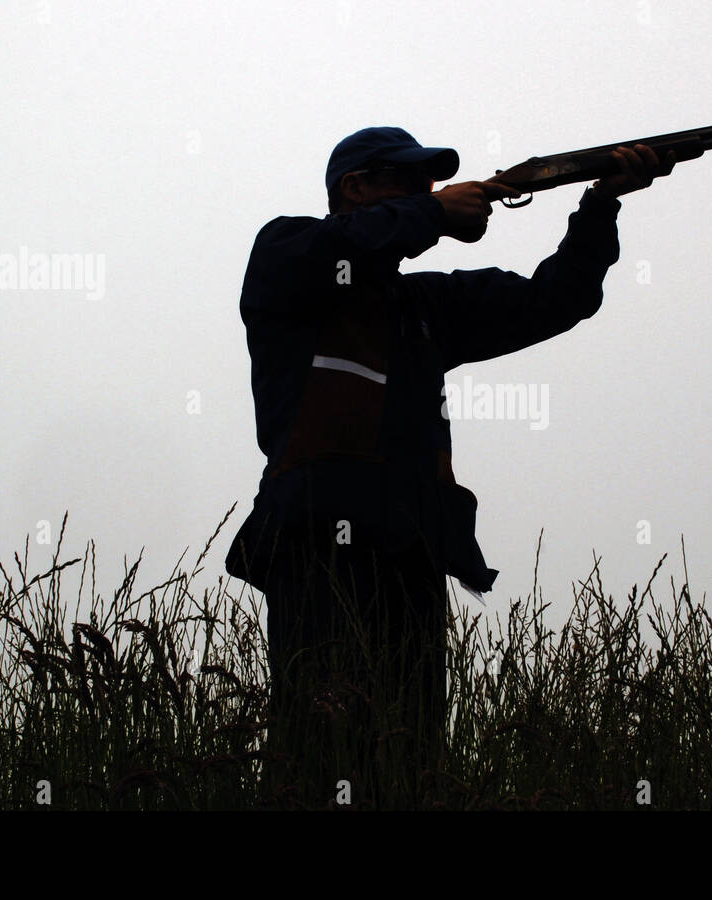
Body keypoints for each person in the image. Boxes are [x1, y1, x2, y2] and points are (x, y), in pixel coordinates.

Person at [225, 125, 675, 807]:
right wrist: (432, 215)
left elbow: (556, 300)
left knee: (408, 759)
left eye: (430, 185)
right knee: (317, 748)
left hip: (414, 549)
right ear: (356, 188)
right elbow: (339, 248)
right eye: (407, 183)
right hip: (320, 543)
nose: (427, 193)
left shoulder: (426, 305)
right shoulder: (289, 256)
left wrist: (602, 203)